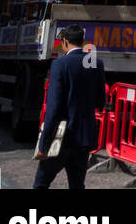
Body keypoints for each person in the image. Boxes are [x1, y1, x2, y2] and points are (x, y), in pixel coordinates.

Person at [33, 24, 106, 190]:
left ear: (65, 42)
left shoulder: (60, 65)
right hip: (84, 138)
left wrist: (44, 145)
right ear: (82, 41)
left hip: (62, 138)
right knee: (77, 185)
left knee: (41, 184)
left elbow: (54, 108)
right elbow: (100, 101)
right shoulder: (96, 64)